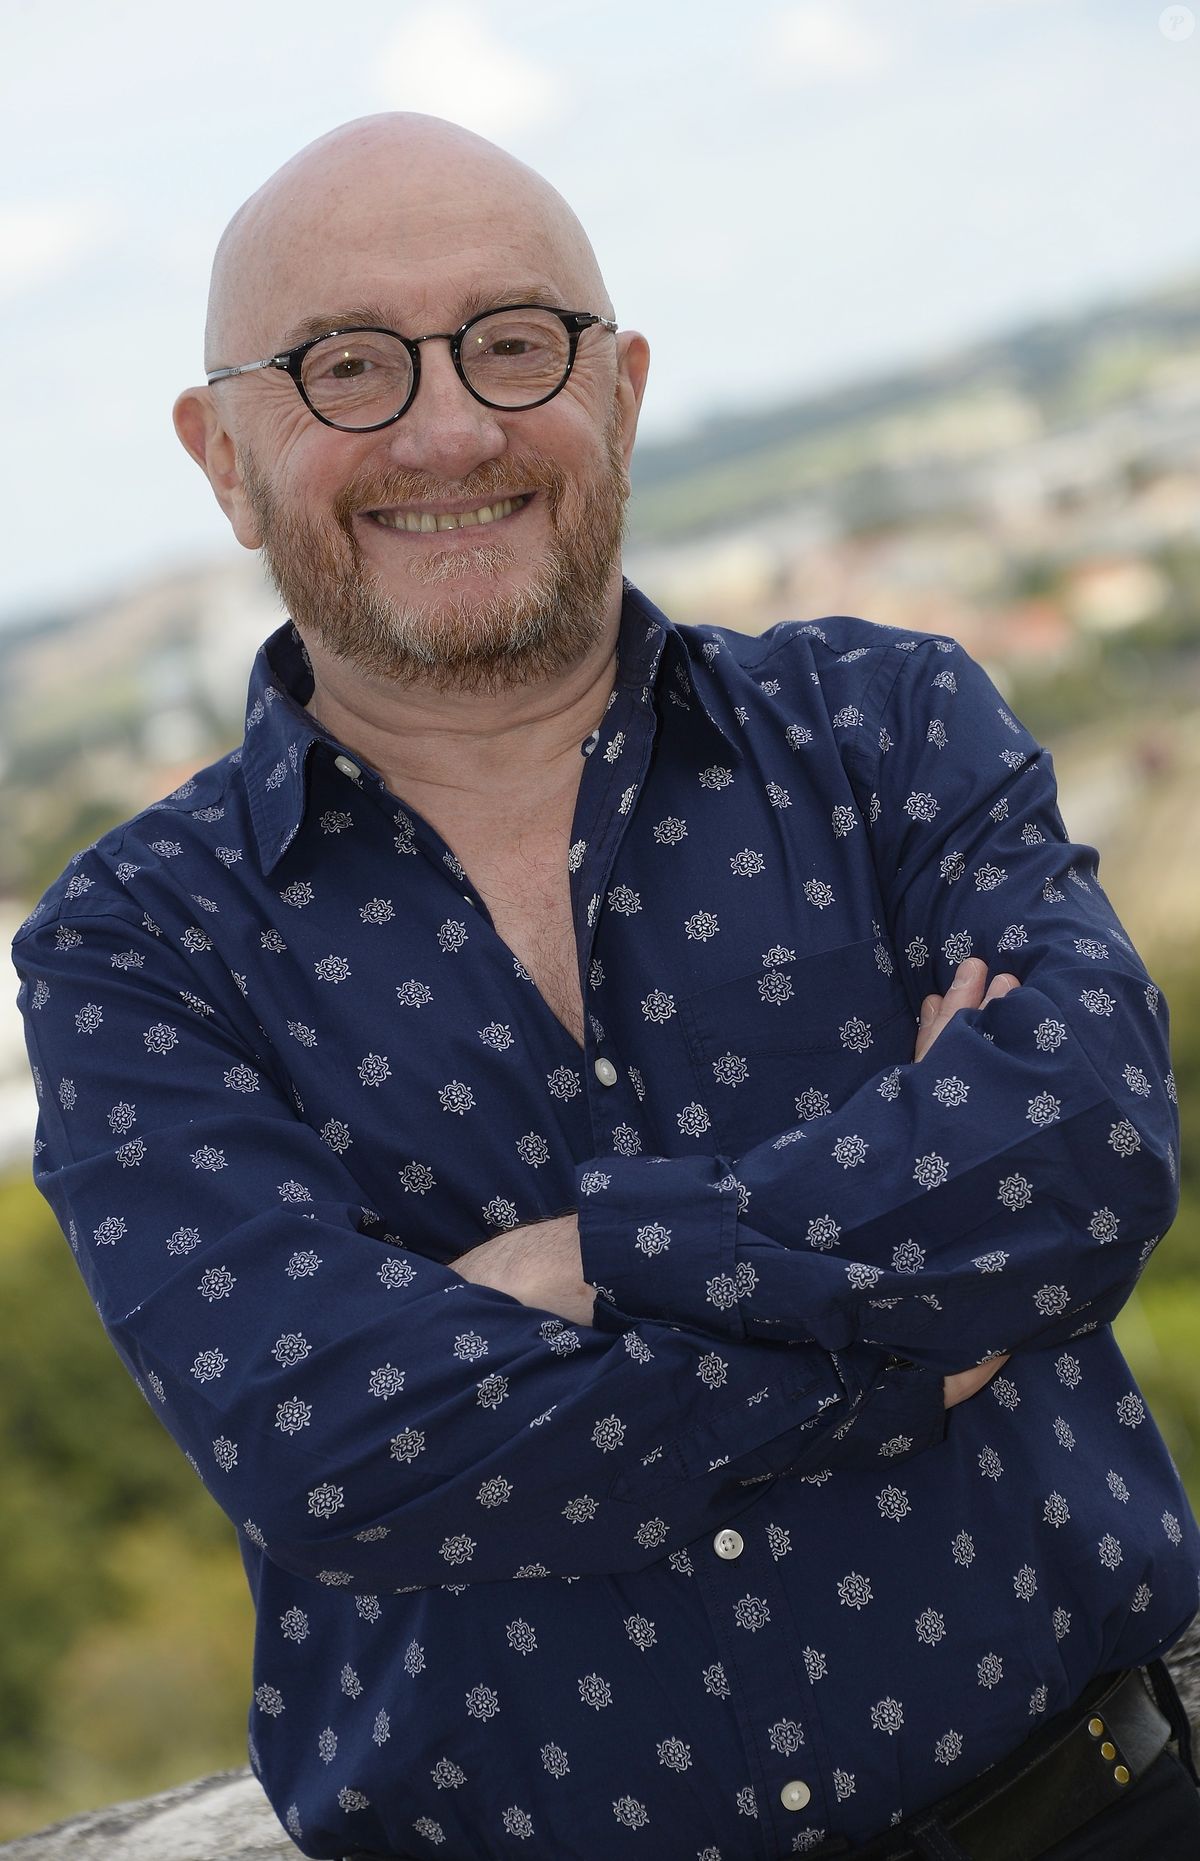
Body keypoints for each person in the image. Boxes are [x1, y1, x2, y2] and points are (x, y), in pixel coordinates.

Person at [11, 112, 1200, 1861]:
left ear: (622, 386)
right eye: (347, 365)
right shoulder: (136, 948)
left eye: (514, 342)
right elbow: (339, 1445)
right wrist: (911, 1335)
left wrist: (593, 1259)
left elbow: (1086, 1151)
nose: (448, 426)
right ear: (223, 454)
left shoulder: (888, 730)